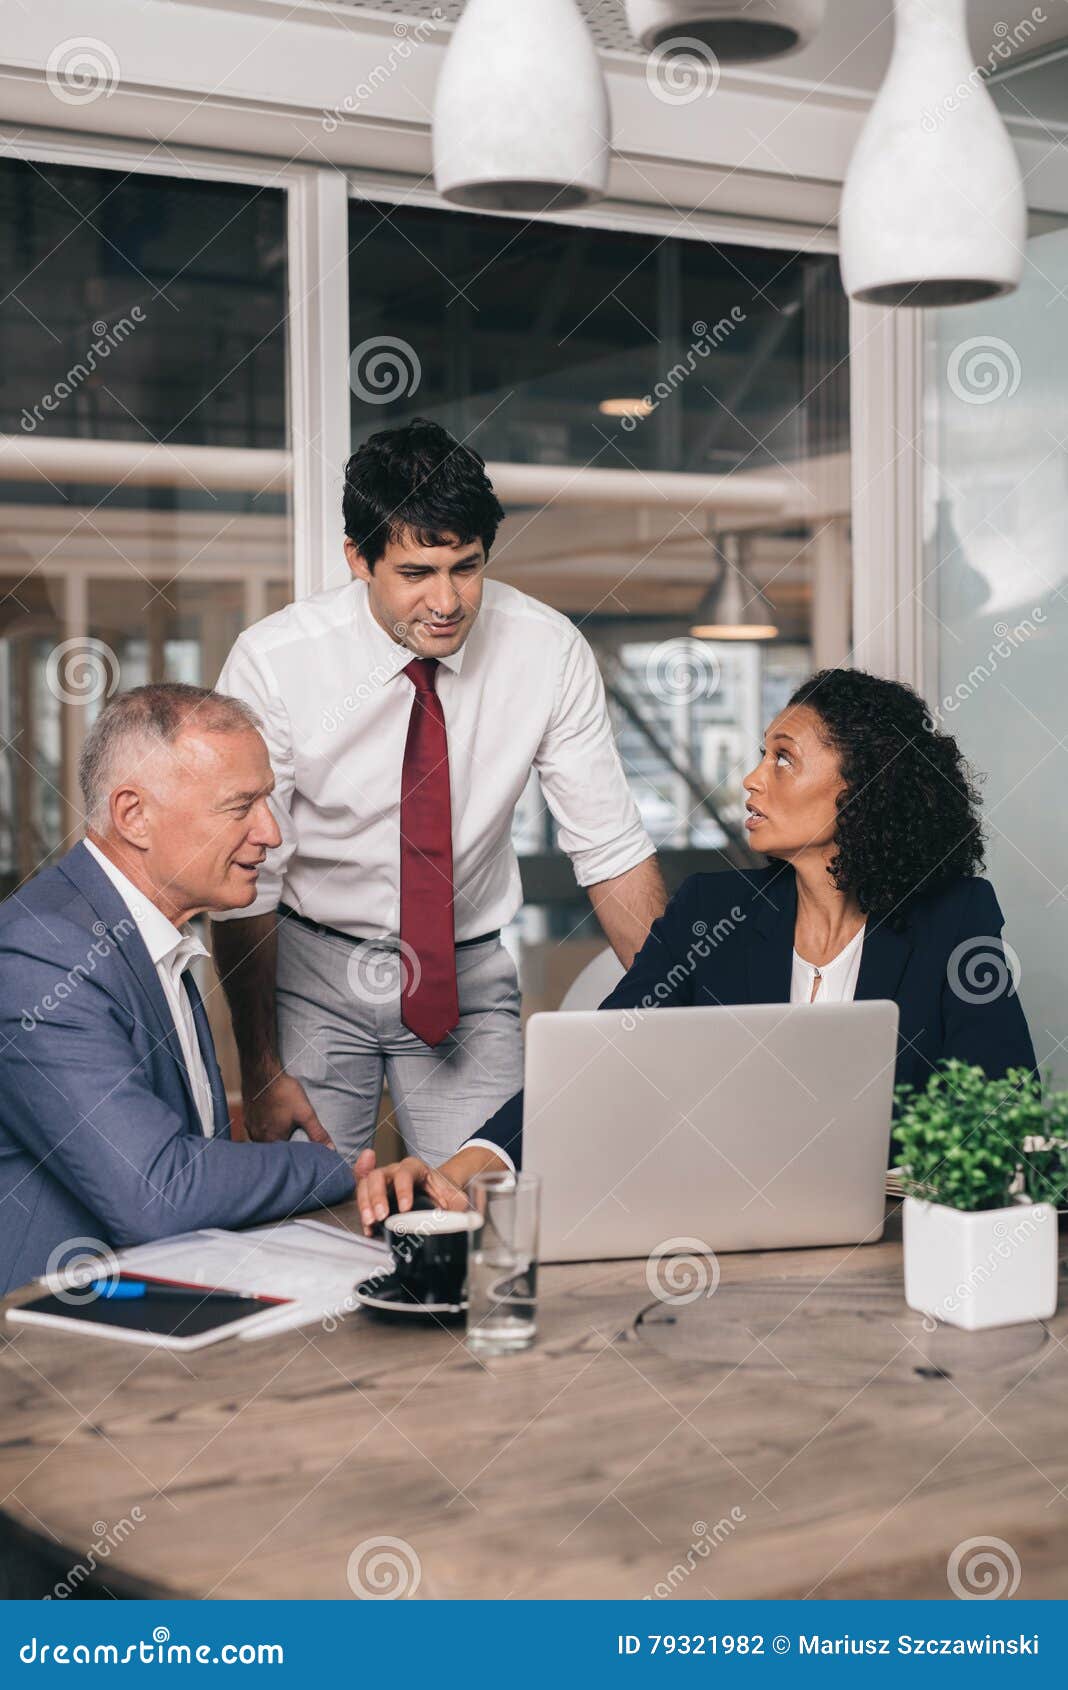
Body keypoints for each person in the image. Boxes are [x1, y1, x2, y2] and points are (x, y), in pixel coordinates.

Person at [353, 668, 1037, 1230]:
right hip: (714, 1237)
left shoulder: (954, 917)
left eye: (783, 758)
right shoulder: (711, 914)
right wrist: (456, 1172)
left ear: (860, 789)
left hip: (899, 1245)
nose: (752, 779)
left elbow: (1006, 1107)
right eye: (762, 755)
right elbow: (597, 1066)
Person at [211, 417, 666, 1164]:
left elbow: (610, 850)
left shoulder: (547, 650)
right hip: (312, 974)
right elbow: (249, 880)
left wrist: (683, 1030)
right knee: (308, 1206)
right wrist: (259, 1067)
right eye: (417, 573)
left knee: (486, 1204)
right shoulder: (276, 661)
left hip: (468, 977)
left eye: (467, 567)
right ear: (359, 559)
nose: (447, 601)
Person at [0, 684, 369, 1294]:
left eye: (268, 801)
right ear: (134, 816)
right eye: (240, 806)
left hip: (154, 1299)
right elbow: (160, 1192)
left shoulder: (145, 932)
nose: (271, 833)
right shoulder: (44, 952)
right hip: (53, 1328)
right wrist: (336, 1167)